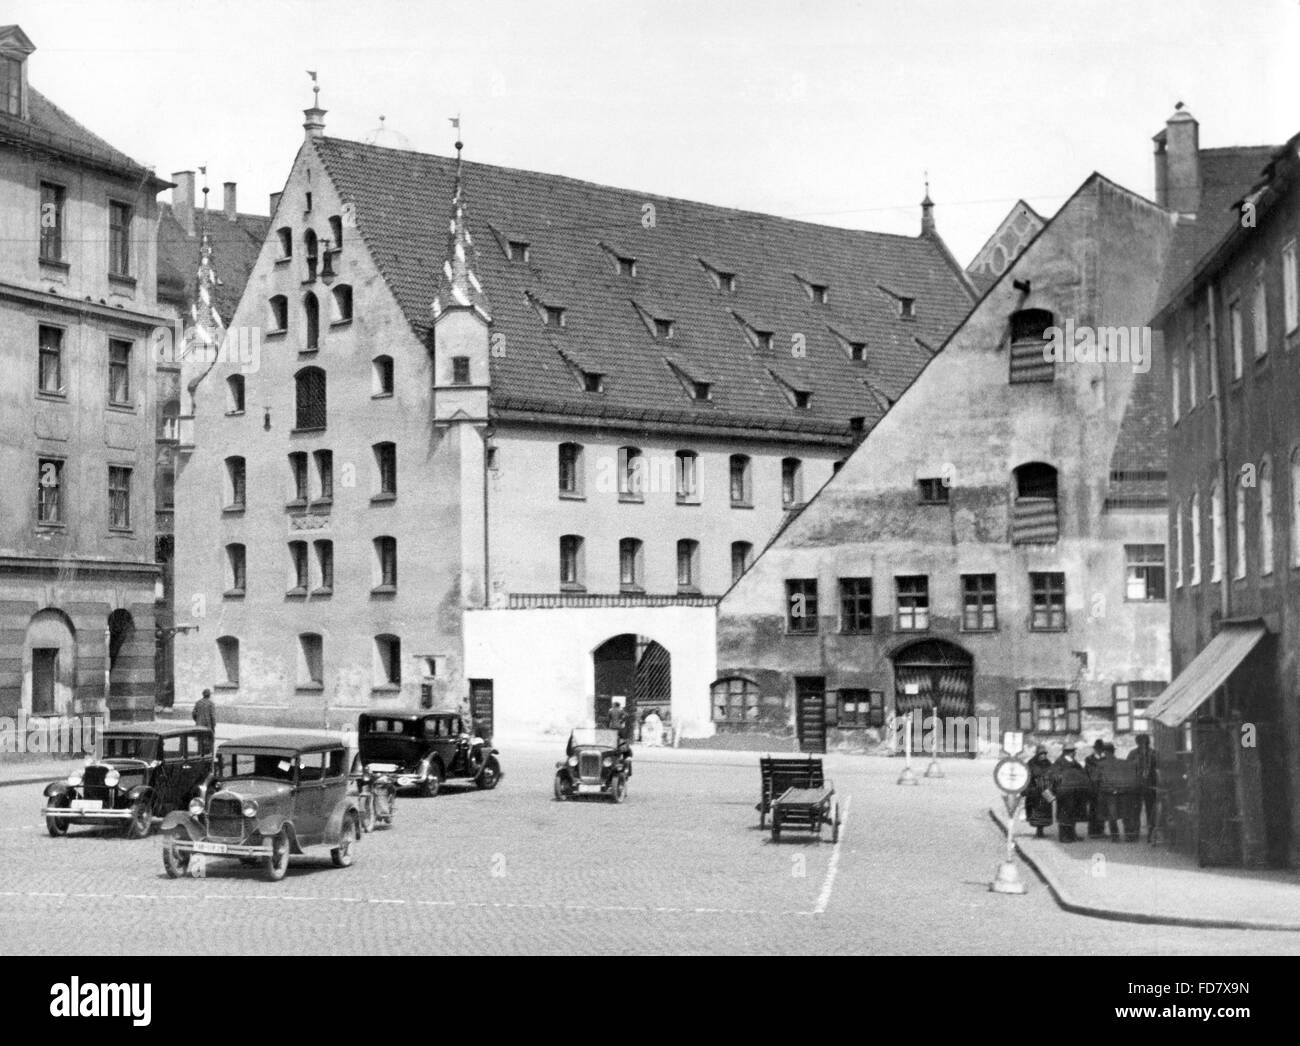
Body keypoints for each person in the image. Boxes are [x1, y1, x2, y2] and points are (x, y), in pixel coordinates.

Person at [1049, 743, 1091, 842]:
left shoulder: (1075, 763)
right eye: (1073, 751)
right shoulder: (1059, 763)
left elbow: (1082, 773)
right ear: (1068, 752)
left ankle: (1072, 834)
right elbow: (1054, 776)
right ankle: (1063, 836)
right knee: (1064, 814)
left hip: (1076, 792)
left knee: (1073, 813)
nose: (1074, 753)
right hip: (1064, 792)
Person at [1127, 734, 1159, 841]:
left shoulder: (1153, 753)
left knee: (1150, 811)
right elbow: (1127, 767)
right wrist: (1134, 763)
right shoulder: (1133, 753)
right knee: (1135, 810)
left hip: (1150, 785)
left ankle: (1151, 834)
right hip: (1137, 785)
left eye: (1145, 742)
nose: (1143, 744)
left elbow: (1159, 767)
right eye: (1140, 742)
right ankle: (1135, 833)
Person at [1023, 744, 1055, 838]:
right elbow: (1026, 777)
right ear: (1037, 754)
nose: (1043, 756)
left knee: (1044, 813)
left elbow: (1053, 775)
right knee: (1036, 812)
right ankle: (1038, 831)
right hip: (1035, 793)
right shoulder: (1031, 763)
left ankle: (1041, 831)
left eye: (1044, 754)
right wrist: (1027, 790)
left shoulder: (1048, 763)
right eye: (1041, 754)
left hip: (1046, 792)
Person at [1083, 738, 1106, 839]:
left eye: (1100, 748)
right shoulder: (1089, 759)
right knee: (1093, 809)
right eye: (1098, 748)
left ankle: (1100, 830)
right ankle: (1092, 831)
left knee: (1102, 809)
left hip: (1102, 787)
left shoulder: (1105, 758)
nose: (1099, 750)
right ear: (1095, 749)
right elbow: (1087, 773)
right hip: (1093, 787)